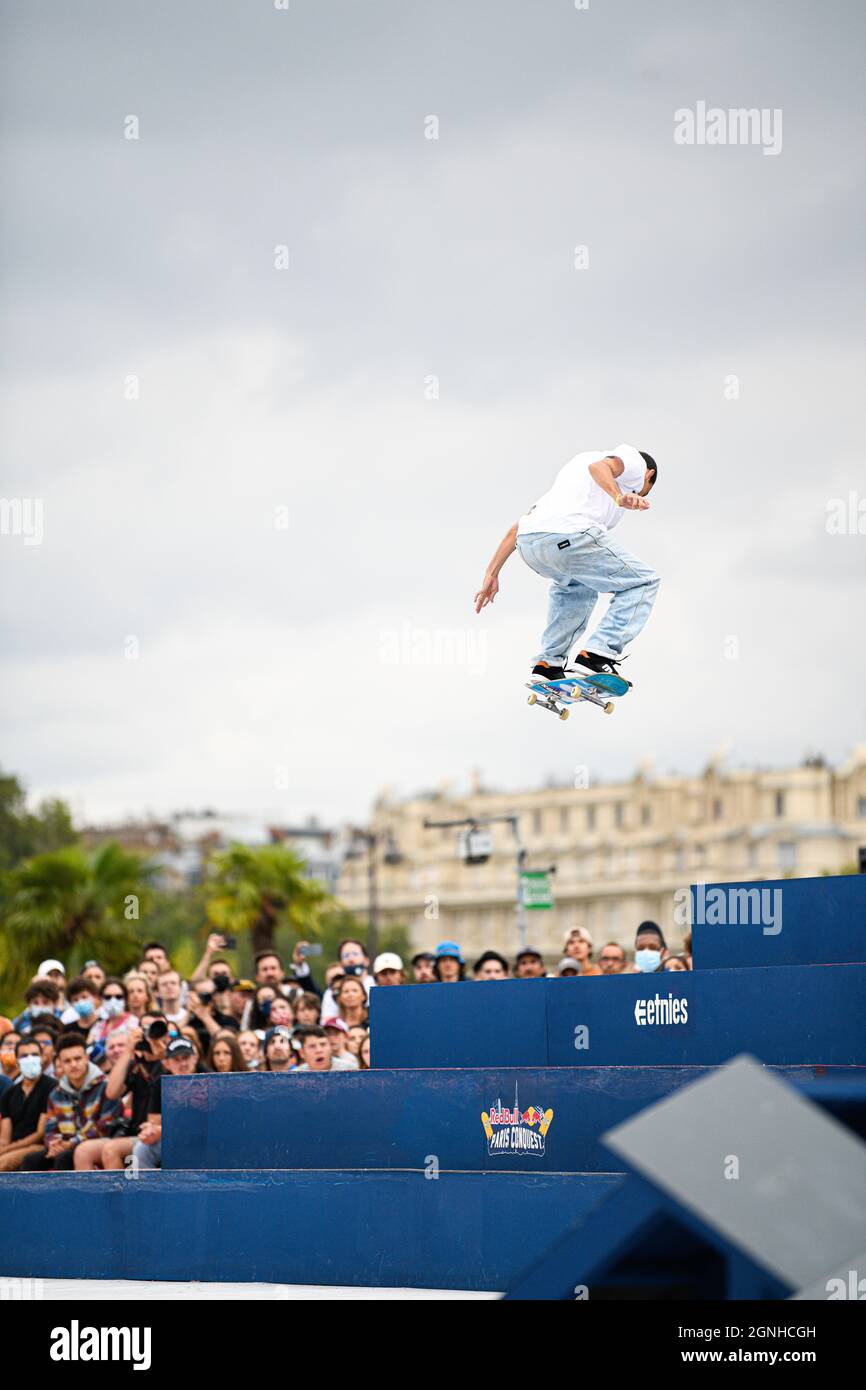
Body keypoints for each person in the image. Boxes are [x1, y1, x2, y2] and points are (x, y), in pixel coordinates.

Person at [474, 445, 660, 681]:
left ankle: (548, 665)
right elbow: (600, 467)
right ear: (649, 475)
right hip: (571, 537)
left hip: (532, 544)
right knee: (643, 582)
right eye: (643, 492)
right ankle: (598, 655)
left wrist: (492, 573)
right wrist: (619, 497)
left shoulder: (574, 479)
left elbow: (518, 528)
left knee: (578, 587)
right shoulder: (634, 463)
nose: (638, 497)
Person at [20, 1034, 119, 1171]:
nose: (73, 1064)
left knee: (64, 1158)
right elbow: (50, 1129)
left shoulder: (106, 1087)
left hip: (96, 1144)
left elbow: (106, 1126)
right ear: (59, 1063)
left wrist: (71, 1143)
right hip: (66, 1146)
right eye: (67, 1061)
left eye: (77, 1059)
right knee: (30, 1160)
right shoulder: (56, 1094)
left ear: (87, 1058)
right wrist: (53, 1144)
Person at [130, 1037, 198, 1172]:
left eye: (185, 1057)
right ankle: (148, 1190)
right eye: (176, 1059)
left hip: (200, 1137)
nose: (182, 1063)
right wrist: (151, 1131)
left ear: (195, 1058)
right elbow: (154, 1121)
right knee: (141, 1149)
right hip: (171, 1136)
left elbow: (202, 1124)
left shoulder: (208, 1077)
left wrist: (160, 1130)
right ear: (166, 1063)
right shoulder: (160, 1083)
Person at [0, 1038, 55, 1171]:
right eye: (24, 1056)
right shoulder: (9, 1093)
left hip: (40, 1146)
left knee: (2, 1164)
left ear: (42, 1058)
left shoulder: (51, 1086)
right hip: (11, 1147)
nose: (30, 1059)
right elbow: (4, 1137)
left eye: (35, 1054)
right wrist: (3, 1148)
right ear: (17, 1062)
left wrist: (6, 1149)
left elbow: (40, 1133)